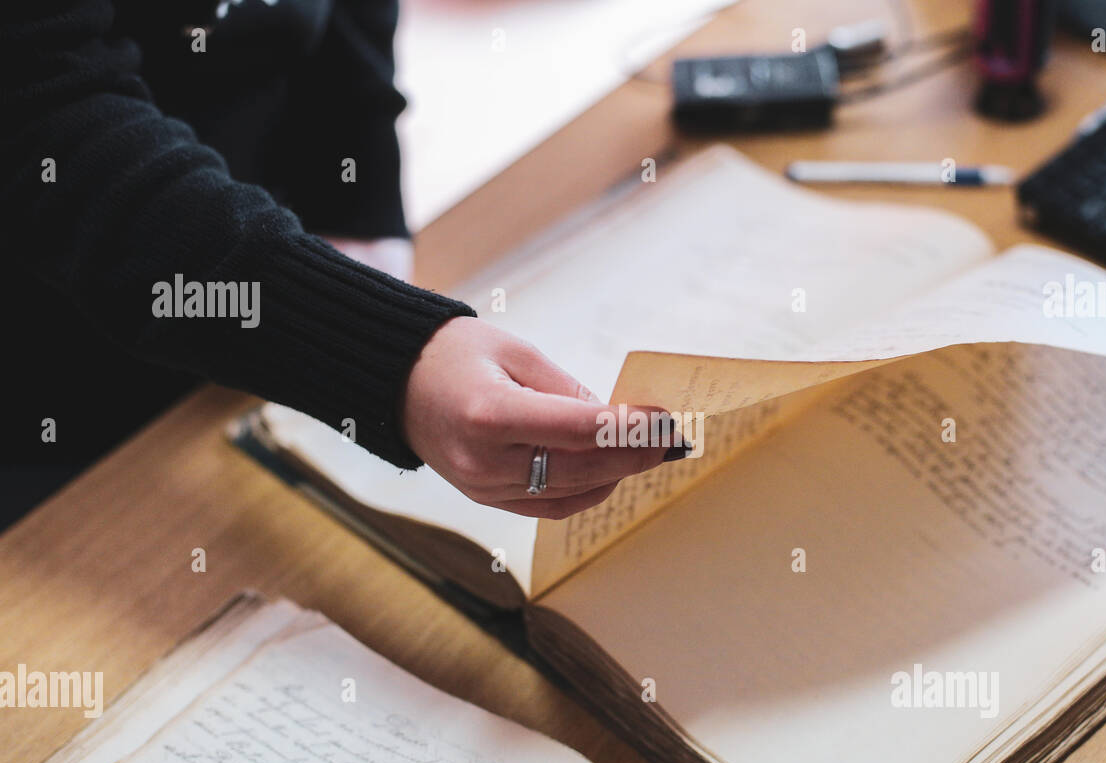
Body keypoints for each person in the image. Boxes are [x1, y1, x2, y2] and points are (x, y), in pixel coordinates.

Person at [0, 0, 681, 527]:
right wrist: (381, 353)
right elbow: (46, 126)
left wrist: (360, 217)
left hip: (254, 281)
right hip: (55, 375)